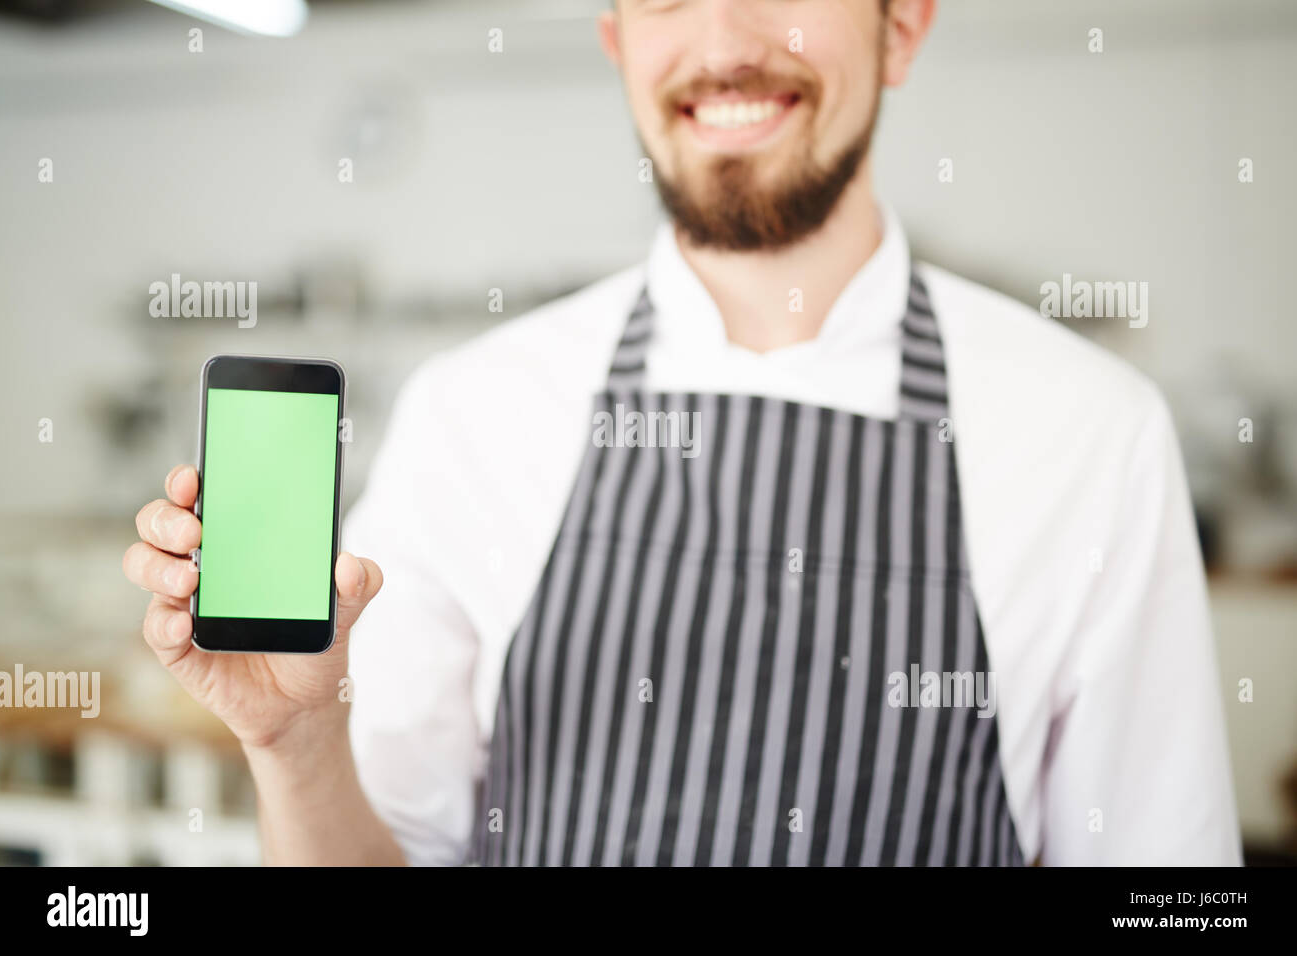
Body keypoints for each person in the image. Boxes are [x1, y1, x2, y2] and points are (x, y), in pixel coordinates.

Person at [122, 0, 1240, 866]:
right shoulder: (474, 413)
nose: (723, 42)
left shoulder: (1090, 435)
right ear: (617, 43)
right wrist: (291, 740)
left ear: (901, 27)